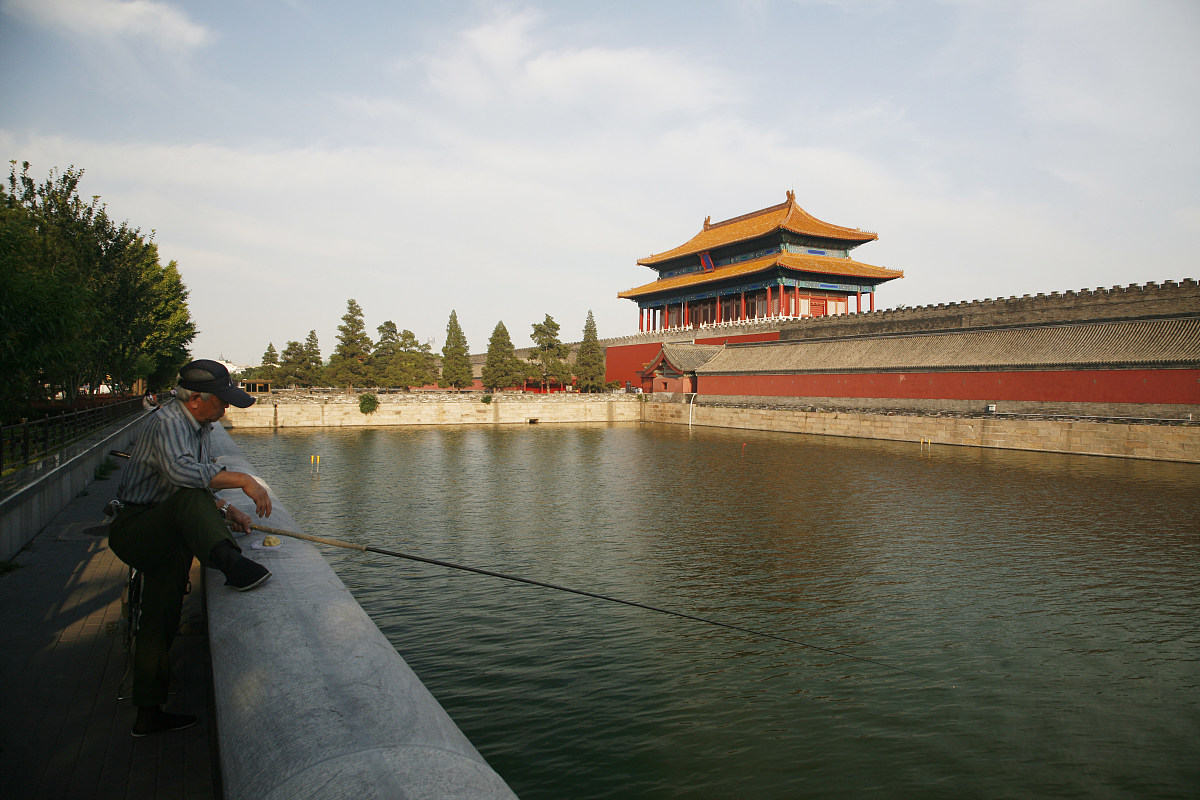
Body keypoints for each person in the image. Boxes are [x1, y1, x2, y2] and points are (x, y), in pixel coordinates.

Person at [108, 359, 274, 738]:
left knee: (160, 618)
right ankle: (228, 561)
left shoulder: (198, 426)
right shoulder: (168, 423)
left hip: (169, 532)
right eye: (221, 400)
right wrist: (243, 480)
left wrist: (228, 508)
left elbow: (196, 486)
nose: (225, 408)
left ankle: (148, 713)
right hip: (138, 528)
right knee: (189, 500)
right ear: (196, 398)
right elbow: (183, 476)